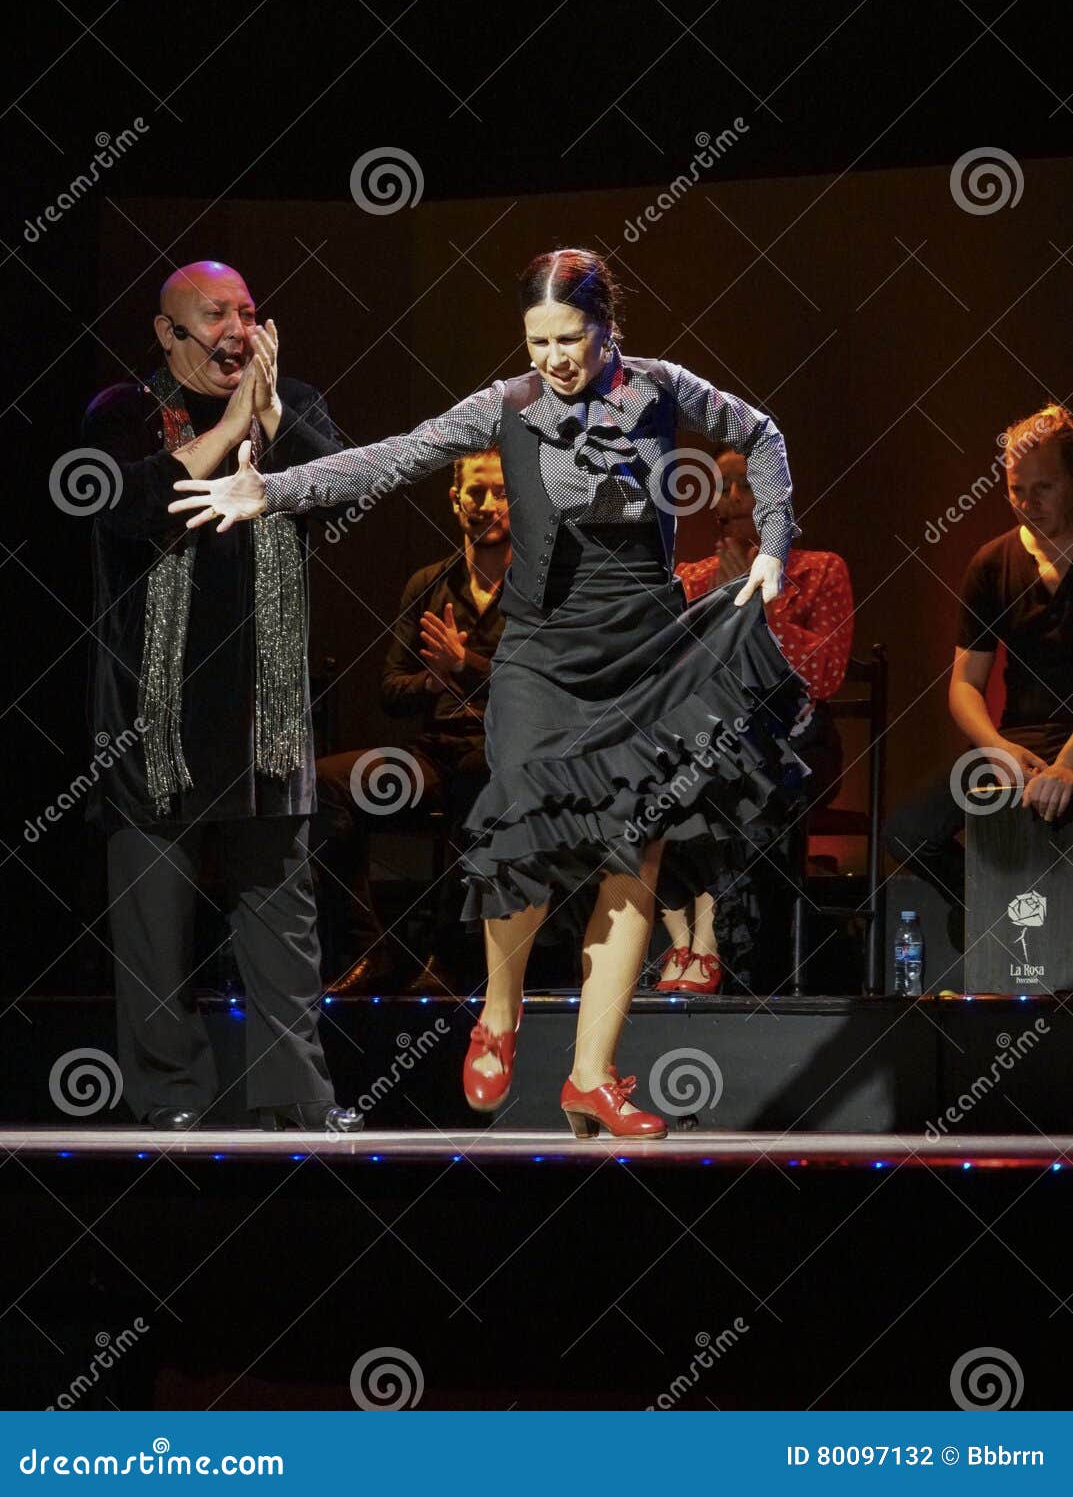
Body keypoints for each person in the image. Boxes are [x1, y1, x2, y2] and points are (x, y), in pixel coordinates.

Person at [169, 249, 810, 1140]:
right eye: (537, 341)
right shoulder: (505, 406)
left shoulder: (661, 389)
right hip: (541, 655)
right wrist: (272, 490)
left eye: (570, 339)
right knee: (523, 831)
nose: (554, 358)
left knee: (634, 852)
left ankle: (590, 1077)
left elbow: (763, 433)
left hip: (643, 650)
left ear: (607, 327)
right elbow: (394, 458)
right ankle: (499, 1016)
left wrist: (773, 541)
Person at [83, 259, 362, 1132]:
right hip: (154, 725)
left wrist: (268, 417)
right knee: (156, 936)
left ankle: (298, 1101)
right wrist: (235, 425)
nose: (237, 331)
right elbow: (135, 506)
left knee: (283, 929)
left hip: (262, 722)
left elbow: (338, 491)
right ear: (167, 333)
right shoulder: (121, 411)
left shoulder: (293, 403)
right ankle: (170, 1098)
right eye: (214, 316)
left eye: (247, 312)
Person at [656, 445, 854, 994]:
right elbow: (668, 672)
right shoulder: (690, 578)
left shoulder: (820, 570)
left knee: (729, 777)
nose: (729, 500)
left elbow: (824, 675)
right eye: (721, 488)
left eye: (744, 485)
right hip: (705, 738)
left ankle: (716, 950)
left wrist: (753, 607)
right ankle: (683, 942)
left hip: (796, 745)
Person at [314, 449, 509, 994]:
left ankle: (449, 957)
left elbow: (541, 687)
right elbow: (390, 690)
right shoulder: (428, 582)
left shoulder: (539, 585)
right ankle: (371, 949)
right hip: (434, 755)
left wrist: (464, 666)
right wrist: (430, 682)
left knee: (480, 771)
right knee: (327, 784)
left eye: (501, 492)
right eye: (476, 492)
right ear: (455, 500)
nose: (488, 504)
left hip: (505, 755)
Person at [884, 403, 1073, 932]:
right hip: (1020, 740)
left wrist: (1067, 766)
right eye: (1017, 490)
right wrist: (996, 748)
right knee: (908, 831)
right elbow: (966, 684)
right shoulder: (992, 563)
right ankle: (998, 910)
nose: (1028, 503)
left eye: (1044, 488)